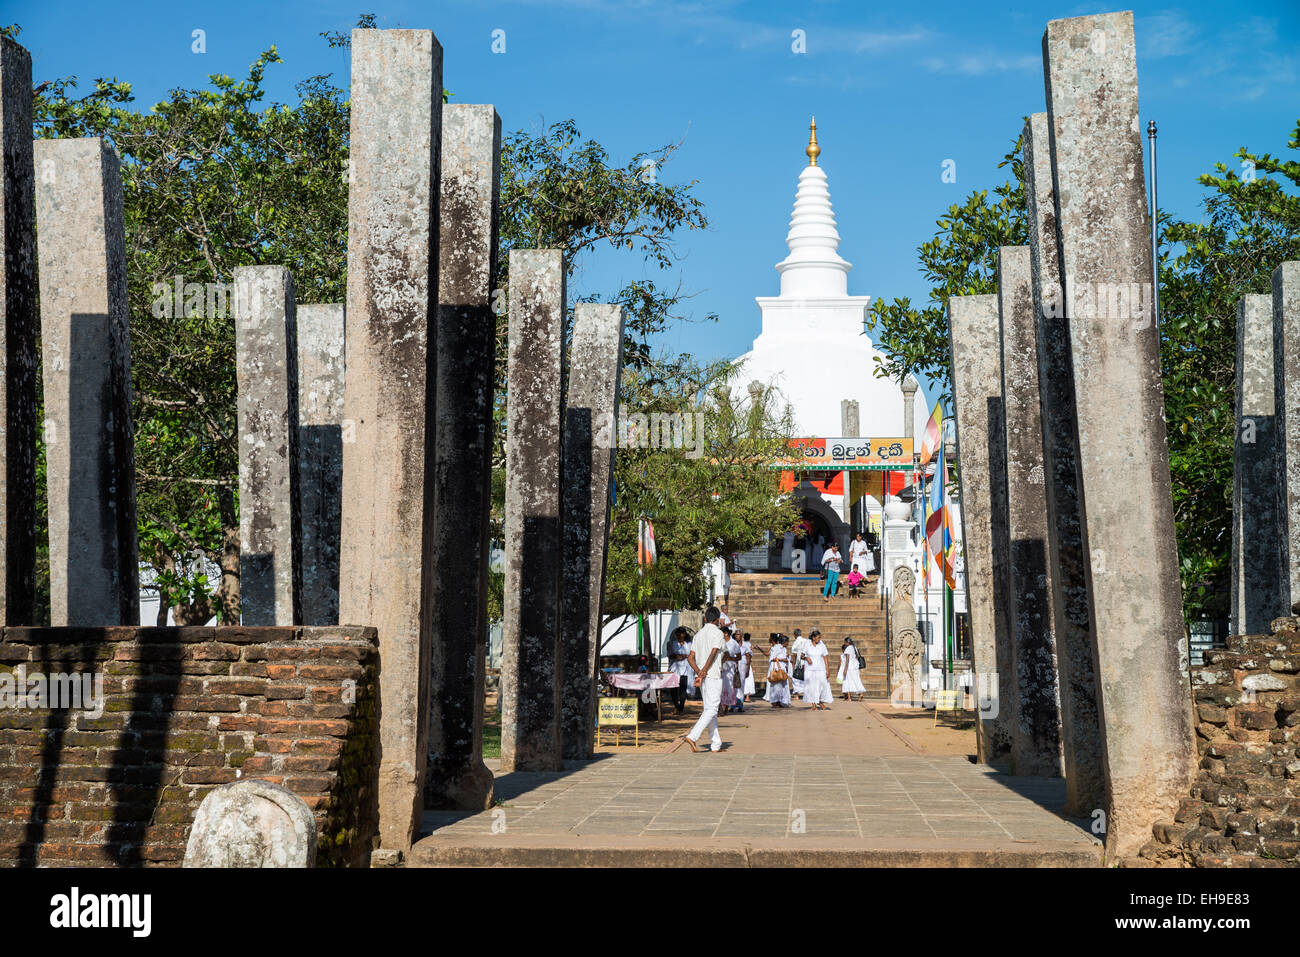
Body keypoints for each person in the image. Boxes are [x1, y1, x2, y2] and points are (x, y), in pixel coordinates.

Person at [683, 606, 727, 753]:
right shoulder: (718, 633)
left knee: (710, 709)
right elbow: (715, 652)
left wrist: (699, 672)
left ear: (706, 618)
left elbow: (690, 658)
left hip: (703, 677)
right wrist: (705, 671)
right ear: (717, 620)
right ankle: (693, 736)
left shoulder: (698, 635)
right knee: (713, 708)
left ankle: (715, 744)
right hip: (712, 674)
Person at [801, 630, 833, 709]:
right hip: (810, 670)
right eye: (818, 637)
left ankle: (820, 701)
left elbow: (825, 657)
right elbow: (802, 655)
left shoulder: (822, 645)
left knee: (822, 686)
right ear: (813, 638)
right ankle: (813, 704)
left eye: (820, 637)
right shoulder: (807, 644)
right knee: (811, 687)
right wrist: (806, 657)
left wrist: (827, 669)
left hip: (820, 669)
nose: (819, 639)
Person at [666, 626, 693, 713]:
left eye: (682, 633)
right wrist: (677, 656)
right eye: (678, 633)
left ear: (684, 634)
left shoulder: (689, 644)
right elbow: (670, 655)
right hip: (674, 668)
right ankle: (676, 706)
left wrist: (683, 656)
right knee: (673, 689)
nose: (680, 635)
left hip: (685, 669)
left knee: (683, 689)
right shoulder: (671, 643)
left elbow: (691, 655)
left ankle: (681, 707)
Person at [765, 635, 791, 707]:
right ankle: (775, 701)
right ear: (784, 641)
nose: (788, 643)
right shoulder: (776, 648)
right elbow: (772, 658)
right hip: (776, 668)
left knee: (783, 686)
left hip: (783, 668)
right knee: (776, 686)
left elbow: (786, 658)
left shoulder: (784, 649)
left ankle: (781, 701)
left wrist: (785, 659)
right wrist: (781, 659)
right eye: (787, 642)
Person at [720, 627, 740, 714]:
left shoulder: (733, 643)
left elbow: (739, 657)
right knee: (720, 687)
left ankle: (726, 707)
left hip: (730, 669)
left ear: (726, 633)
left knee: (729, 687)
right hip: (720, 667)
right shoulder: (720, 641)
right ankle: (720, 707)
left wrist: (730, 658)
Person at [838, 637, 866, 701]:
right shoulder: (854, 648)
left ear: (847, 642)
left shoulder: (848, 649)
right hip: (855, 666)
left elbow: (847, 660)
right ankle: (860, 694)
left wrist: (845, 669)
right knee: (856, 680)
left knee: (848, 681)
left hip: (850, 667)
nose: (844, 644)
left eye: (845, 642)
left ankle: (849, 697)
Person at [789, 629, 809, 697]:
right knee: (806, 677)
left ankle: (796, 695)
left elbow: (794, 654)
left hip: (799, 662)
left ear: (795, 635)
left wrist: (793, 665)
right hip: (806, 661)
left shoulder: (796, 642)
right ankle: (806, 693)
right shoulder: (806, 641)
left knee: (795, 677)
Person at [740, 633, 755, 702]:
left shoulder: (741, 644)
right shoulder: (749, 645)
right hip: (746, 663)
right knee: (748, 680)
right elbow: (749, 656)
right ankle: (747, 697)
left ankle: (741, 697)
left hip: (741, 663)